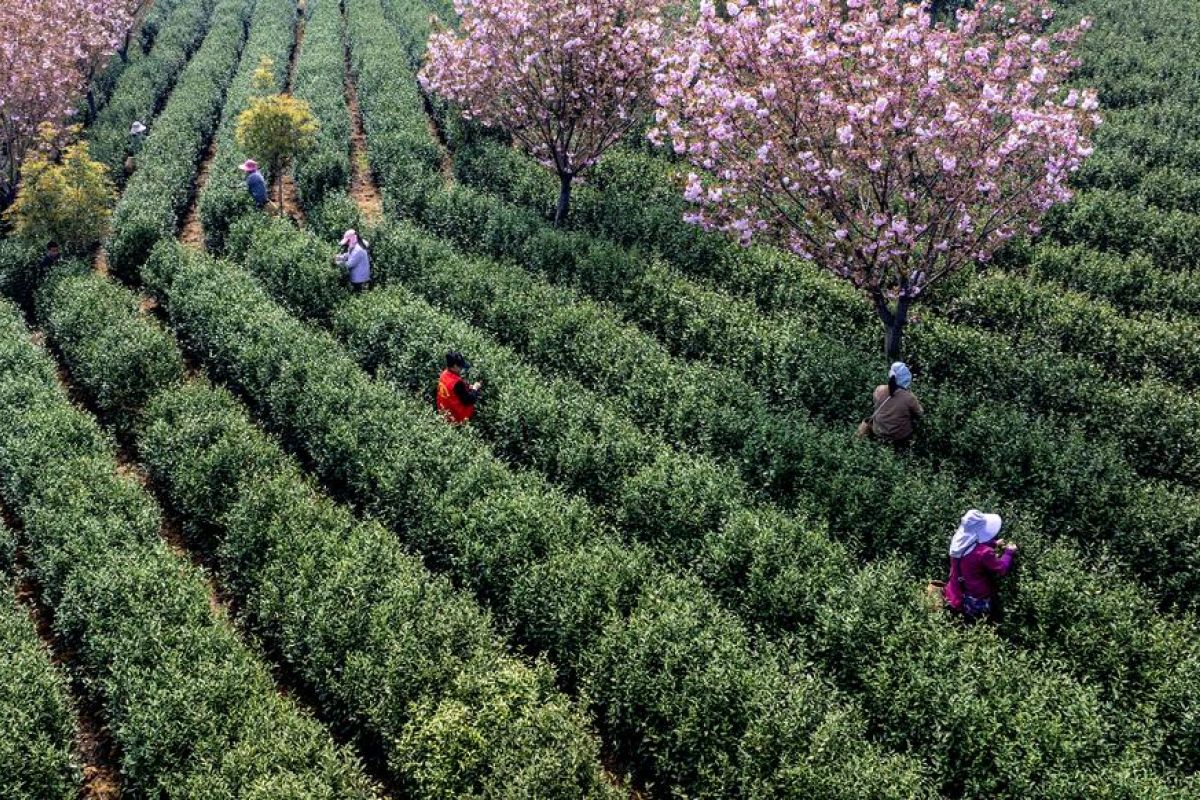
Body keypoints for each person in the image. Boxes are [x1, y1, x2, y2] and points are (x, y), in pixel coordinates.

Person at [943, 509, 1017, 621]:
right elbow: (1002, 569)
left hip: (954, 594)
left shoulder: (957, 543)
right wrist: (1009, 552)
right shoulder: (984, 553)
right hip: (976, 600)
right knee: (980, 622)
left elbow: (971, 544)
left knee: (959, 623)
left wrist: (993, 543)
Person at [867, 361, 924, 446]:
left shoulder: (879, 389)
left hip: (878, 432)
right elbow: (920, 413)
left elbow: (876, 402)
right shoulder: (908, 397)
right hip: (899, 438)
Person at [437, 350, 482, 424]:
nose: (461, 369)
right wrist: (475, 388)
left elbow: (453, 388)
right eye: (460, 367)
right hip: (455, 417)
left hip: (444, 413)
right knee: (474, 400)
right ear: (455, 366)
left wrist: (467, 386)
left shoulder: (444, 374)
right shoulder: (457, 383)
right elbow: (469, 401)